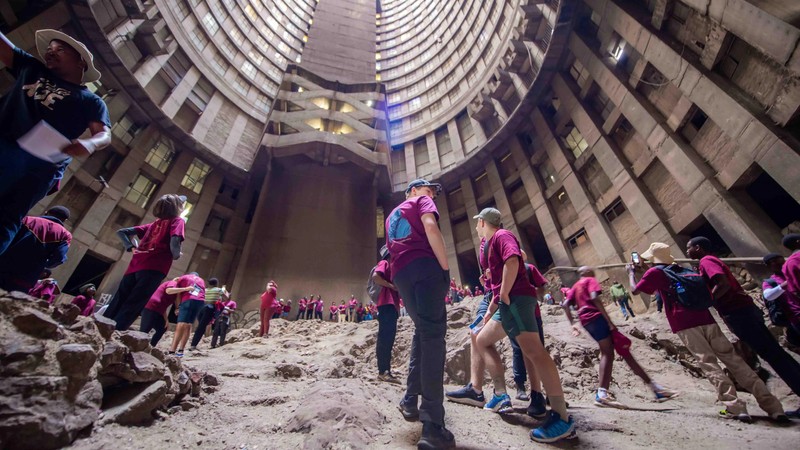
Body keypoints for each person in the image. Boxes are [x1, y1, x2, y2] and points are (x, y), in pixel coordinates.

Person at [628, 242, 787, 422]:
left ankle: (735, 407)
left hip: (685, 324)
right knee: (735, 361)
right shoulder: (681, 269)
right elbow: (661, 277)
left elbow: (635, 290)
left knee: (709, 363)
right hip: (707, 319)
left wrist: (631, 273)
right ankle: (773, 407)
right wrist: (646, 268)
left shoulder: (654, 273)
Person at [0, 29, 111, 257]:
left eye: (59, 49)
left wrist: (89, 144)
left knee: (7, 218)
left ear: (81, 61)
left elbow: (104, 134)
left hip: (41, 166)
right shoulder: (31, 67)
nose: (51, 53)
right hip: (6, 142)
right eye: (49, 50)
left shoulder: (91, 100)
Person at [474, 207, 576, 442]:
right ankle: (501, 394)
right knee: (482, 339)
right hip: (506, 302)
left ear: (483, 222)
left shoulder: (501, 235)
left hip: (516, 299)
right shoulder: (492, 244)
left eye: (478, 222)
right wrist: (494, 301)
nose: (476, 227)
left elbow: (513, 260)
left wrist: (504, 294)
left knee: (534, 352)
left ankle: (561, 417)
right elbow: (504, 269)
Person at [687, 237, 800, 403]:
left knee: (773, 355)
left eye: (688, 248)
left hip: (738, 312)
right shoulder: (710, 260)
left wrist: (707, 302)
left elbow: (722, 283)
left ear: (698, 248)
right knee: (775, 353)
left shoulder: (706, 261)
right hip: (743, 311)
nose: (687, 251)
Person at [387, 179, 454, 449]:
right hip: (425, 266)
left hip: (401, 273)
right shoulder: (419, 202)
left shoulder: (393, 214)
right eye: (429, 191)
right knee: (434, 338)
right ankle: (433, 425)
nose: (432, 197)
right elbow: (430, 226)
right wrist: (446, 269)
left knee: (423, 332)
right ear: (413, 191)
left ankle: (409, 401)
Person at [564, 266, 677, 409]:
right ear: (586, 272)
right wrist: (609, 322)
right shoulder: (590, 280)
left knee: (620, 352)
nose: (593, 273)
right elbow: (595, 298)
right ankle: (602, 394)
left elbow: (566, 304)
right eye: (591, 271)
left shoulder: (575, 286)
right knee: (609, 353)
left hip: (586, 321)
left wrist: (573, 323)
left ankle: (655, 388)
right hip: (597, 318)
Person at [103, 194, 185, 330]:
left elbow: (122, 232)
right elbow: (175, 240)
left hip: (134, 266)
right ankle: (115, 331)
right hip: (155, 267)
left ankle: (102, 326)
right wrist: (176, 255)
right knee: (135, 302)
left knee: (119, 299)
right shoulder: (177, 221)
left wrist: (131, 247)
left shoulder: (153, 225)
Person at [0, 206, 72, 293]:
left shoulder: (27, 220)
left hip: (4, 266)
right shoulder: (65, 235)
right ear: (64, 220)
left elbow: (6, 238)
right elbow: (59, 257)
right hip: (26, 277)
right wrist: (44, 264)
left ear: (46, 212)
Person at [373, 245, 401, 384]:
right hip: (386, 304)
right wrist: (391, 286)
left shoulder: (394, 266)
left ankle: (386, 370)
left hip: (392, 306)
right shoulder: (384, 263)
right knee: (385, 338)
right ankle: (383, 371)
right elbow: (375, 277)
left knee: (389, 339)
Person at [167, 272, 205, 357]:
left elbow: (177, 293)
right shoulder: (201, 280)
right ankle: (181, 350)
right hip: (200, 301)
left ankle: (172, 351)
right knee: (188, 324)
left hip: (188, 300)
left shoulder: (185, 277)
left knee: (181, 324)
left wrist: (178, 307)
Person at [190, 277, 228, 351]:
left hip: (200, 309)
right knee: (201, 327)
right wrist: (224, 289)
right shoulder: (218, 290)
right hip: (209, 309)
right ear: (216, 284)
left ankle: (194, 343)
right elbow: (226, 297)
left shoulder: (205, 290)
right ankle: (193, 345)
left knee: (200, 326)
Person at [140, 278, 178, 347]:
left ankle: (151, 346)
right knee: (144, 330)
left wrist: (166, 320)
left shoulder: (176, 294)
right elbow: (168, 291)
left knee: (162, 327)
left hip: (159, 311)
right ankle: (135, 347)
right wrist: (186, 289)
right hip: (151, 307)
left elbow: (164, 306)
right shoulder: (173, 283)